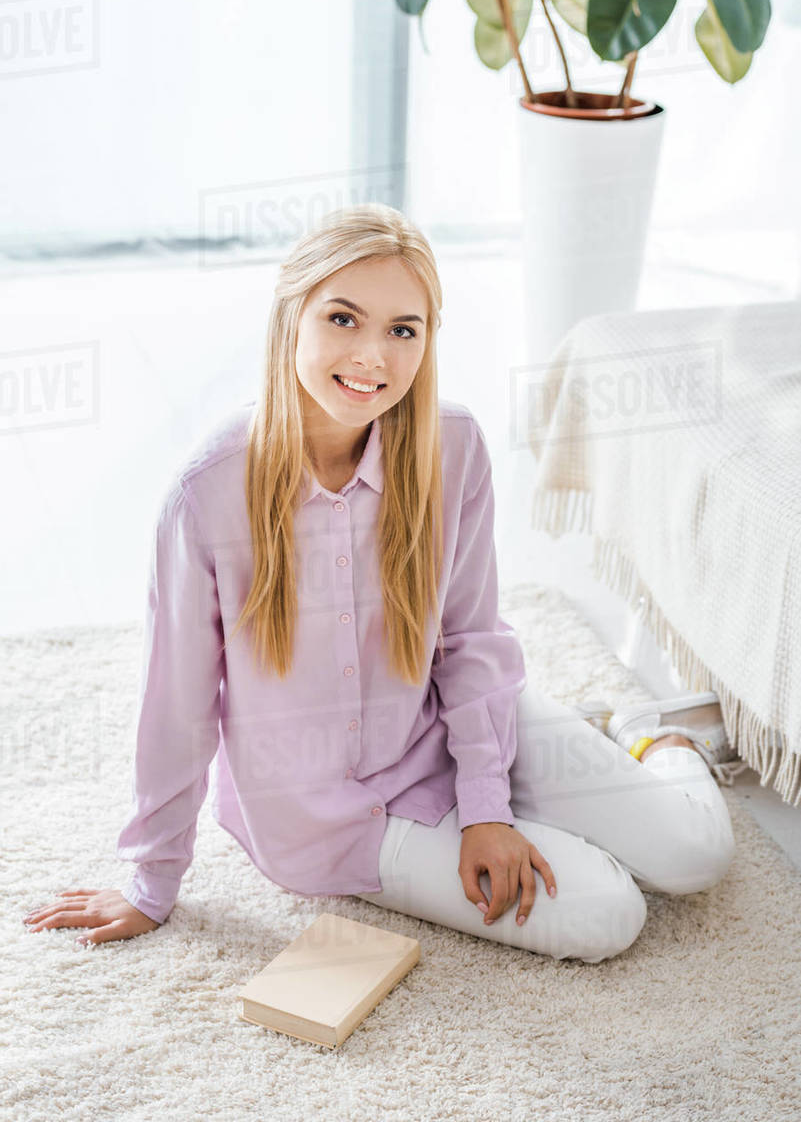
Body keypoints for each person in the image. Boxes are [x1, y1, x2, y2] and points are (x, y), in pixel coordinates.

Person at [21, 203, 736, 962]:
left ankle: (649, 735)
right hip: (335, 819)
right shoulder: (207, 493)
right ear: (290, 317)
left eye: (403, 329)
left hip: (453, 720)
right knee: (604, 913)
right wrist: (151, 881)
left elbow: (469, 636)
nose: (372, 356)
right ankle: (577, 778)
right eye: (342, 318)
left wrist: (487, 808)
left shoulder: (451, 446)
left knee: (695, 854)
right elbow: (176, 703)